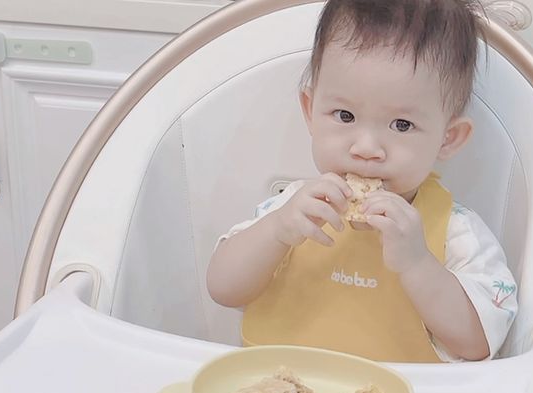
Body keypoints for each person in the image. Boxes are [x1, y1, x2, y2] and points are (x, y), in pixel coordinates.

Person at [207, 0, 517, 362]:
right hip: (278, 386)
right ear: (310, 111)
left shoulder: (456, 233)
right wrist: (276, 231)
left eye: (402, 125)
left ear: (448, 139)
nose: (366, 148)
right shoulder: (292, 209)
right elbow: (222, 289)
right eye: (345, 115)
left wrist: (418, 263)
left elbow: (478, 343)